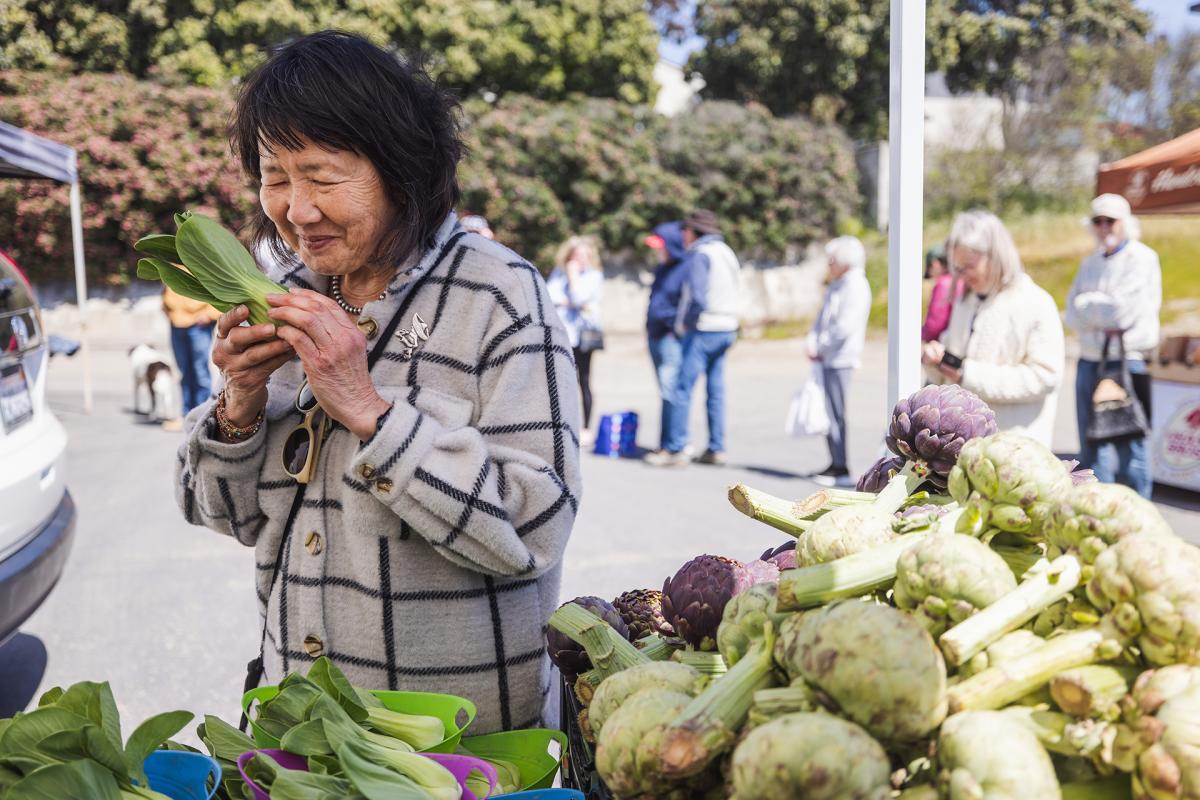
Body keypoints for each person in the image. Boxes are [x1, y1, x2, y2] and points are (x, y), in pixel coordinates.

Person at [174, 31, 581, 734]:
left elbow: (535, 528)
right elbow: (224, 516)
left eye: (323, 177)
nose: (296, 209)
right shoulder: (288, 294)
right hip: (300, 725)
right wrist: (237, 406)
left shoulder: (500, 295)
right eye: (275, 176)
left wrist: (369, 411)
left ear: (401, 171)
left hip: (453, 747)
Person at [923, 210, 1064, 446]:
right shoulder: (965, 302)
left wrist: (969, 374)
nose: (962, 275)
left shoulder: (1035, 302)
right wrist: (936, 361)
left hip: (1015, 452)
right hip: (964, 451)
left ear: (996, 257)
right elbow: (953, 368)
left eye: (968, 265)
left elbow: (1044, 377)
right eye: (956, 267)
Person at [1065, 193, 1161, 498]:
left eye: (1111, 220)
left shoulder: (1141, 258)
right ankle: (1098, 506)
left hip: (1126, 360)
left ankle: (1138, 511)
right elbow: (1071, 312)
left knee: (1129, 440)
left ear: (1125, 223)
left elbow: (1122, 312)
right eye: (1098, 221)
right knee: (1092, 441)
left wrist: (1087, 306)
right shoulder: (1089, 263)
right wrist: (1096, 309)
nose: (1104, 227)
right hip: (1090, 358)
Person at [647, 209, 741, 467]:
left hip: (705, 327)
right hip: (727, 326)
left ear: (692, 231)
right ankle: (716, 447)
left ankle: (675, 448)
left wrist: (686, 324)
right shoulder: (726, 252)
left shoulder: (701, 255)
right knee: (715, 389)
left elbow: (697, 297)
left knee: (681, 387)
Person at [806, 236, 872, 487]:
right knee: (830, 411)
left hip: (841, 357)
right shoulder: (838, 284)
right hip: (828, 356)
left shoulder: (855, 286)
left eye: (832, 260)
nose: (829, 265)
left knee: (836, 412)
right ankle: (835, 460)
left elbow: (844, 326)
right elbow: (823, 318)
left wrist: (821, 345)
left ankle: (841, 465)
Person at [546, 236, 604, 443]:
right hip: (562, 334)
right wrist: (568, 301)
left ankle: (587, 427)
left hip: (584, 336)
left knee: (584, 380)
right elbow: (549, 298)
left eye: (583, 256)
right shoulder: (558, 274)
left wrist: (573, 278)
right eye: (575, 256)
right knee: (560, 381)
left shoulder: (594, 276)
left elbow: (579, 298)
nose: (579, 260)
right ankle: (561, 424)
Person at [643, 221, 689, 455]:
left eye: (660, 247)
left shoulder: (685, 268)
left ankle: (675, 446)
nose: (657, 251)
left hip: (671, 338)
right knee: (664, 390)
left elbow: (686, 304)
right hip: (655, 336)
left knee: (671, 390)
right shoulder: (662, 269)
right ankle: (665, 443)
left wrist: (675, 327)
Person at [163, 286, 221, 417]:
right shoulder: (174, 265)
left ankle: (202, 415)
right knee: (184, 372)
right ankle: (187, 413)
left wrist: (209, 314)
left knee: (200, 372)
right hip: (177, 323)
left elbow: (219, 291)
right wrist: (167, 311)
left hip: (198, 325)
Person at [921, 244, 961, 342]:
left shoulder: (944, 284)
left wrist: (920, 334)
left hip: (944, 344)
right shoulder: (961, 280)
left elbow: (935, 324)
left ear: (935, 263)